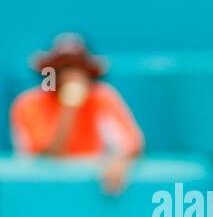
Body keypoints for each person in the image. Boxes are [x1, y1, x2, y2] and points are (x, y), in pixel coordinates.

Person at [9, 33, 144, 194]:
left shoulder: (102, 96)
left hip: (92, 195)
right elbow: (50, 156)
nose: (70, 75)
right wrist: (70, 103)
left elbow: (133, 143)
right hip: (43, 194)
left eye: (77, 67)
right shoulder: (28, 104)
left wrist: (119, 162)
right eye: (63, 68)